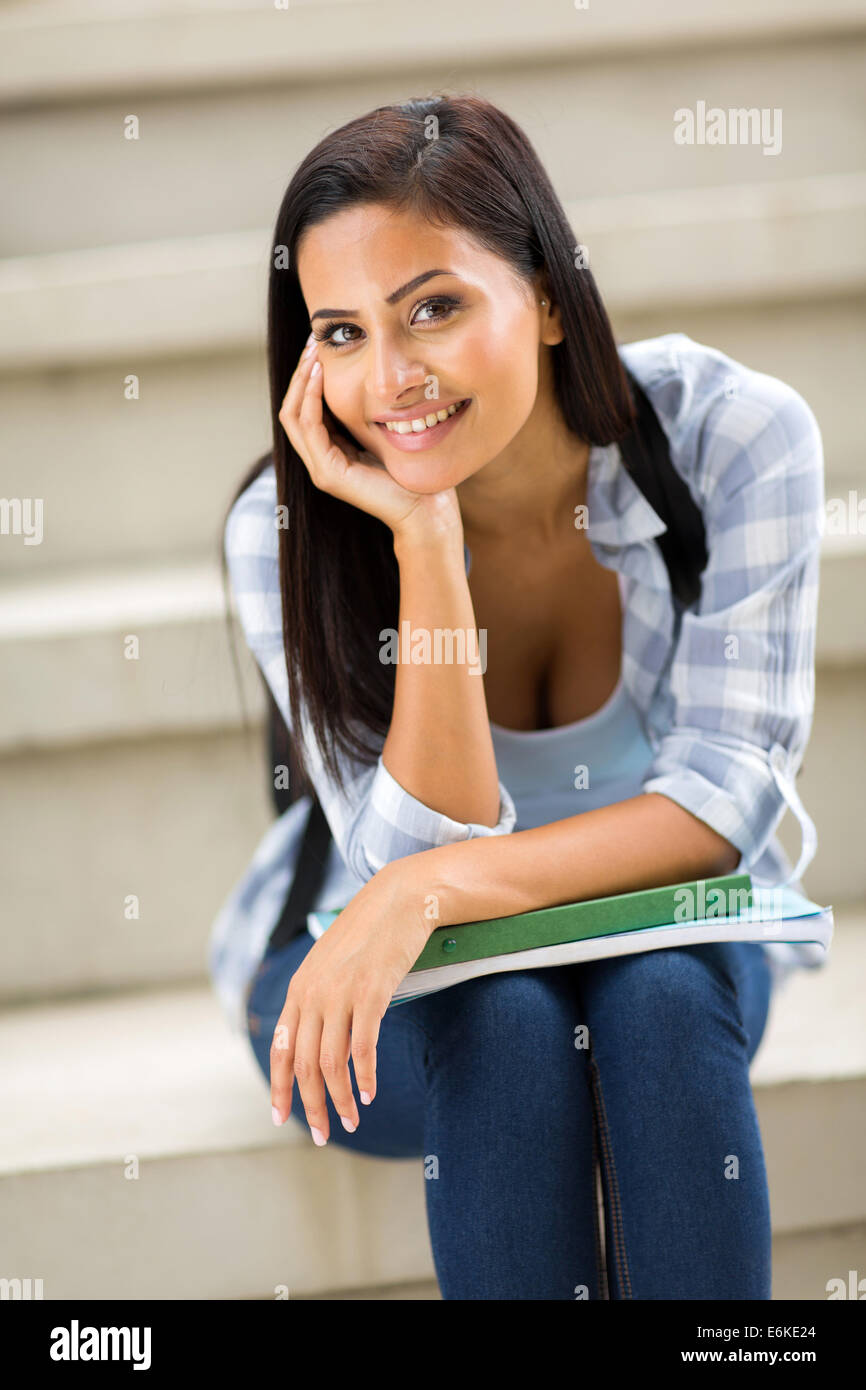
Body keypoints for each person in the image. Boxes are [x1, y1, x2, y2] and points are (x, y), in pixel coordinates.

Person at [208, 94, 826, 1299]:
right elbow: (394, 865)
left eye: (431, 307)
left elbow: (719, 803)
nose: (388, 380)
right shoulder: (279, 530)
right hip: (362, 971)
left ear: (546, 295)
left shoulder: (733, 439)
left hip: (656, 928)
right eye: (338, 332)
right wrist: (425, 541)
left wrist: (432, 889)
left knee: (651, 1000)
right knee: (501, 1014)